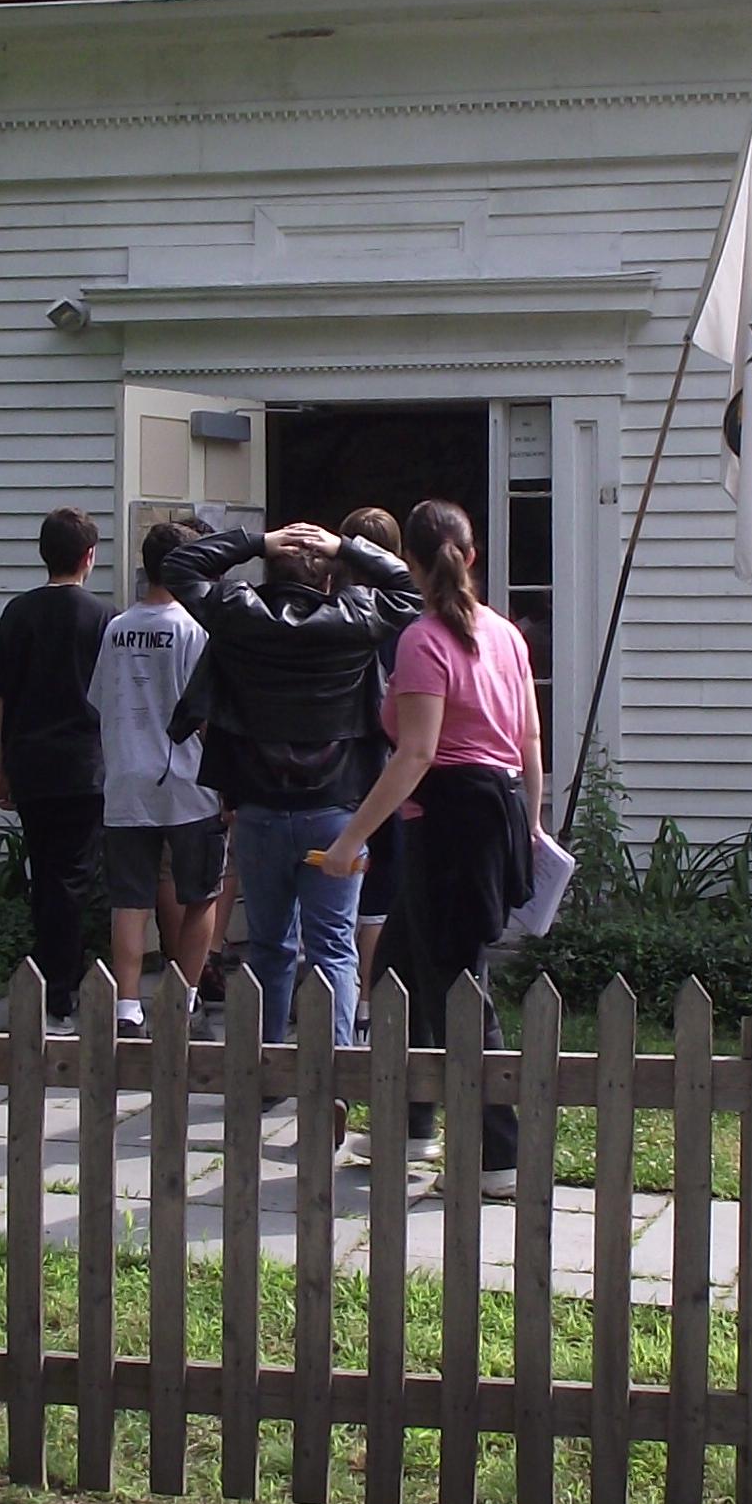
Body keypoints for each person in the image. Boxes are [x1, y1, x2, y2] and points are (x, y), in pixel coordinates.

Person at [323, 498, 541, 1192]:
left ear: (412, 563)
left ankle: (498, 1156)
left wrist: (349, 838)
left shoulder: (423, 640)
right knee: (398, 970)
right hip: (487, 813)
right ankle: (409, 1125)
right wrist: (529, 827)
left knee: (458, 984)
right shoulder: (506, 634)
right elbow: (530, 742)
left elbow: (416, 753)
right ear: (470, 555)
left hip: (450, 821)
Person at [156, 516, 420, 1050]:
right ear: (328, 578)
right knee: (334, 948)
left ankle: (270, 1067)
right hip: (336, 810)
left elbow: (178, 565)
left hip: (260, 809)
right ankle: (336, 1074)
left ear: (269, 571)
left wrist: (256, 541)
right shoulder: (356, 615)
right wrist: (345, 545)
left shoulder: (238, 613)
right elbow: (408, 587)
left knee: (270, 947)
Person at [91, 520, 225, 1035]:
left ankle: (126, 1007)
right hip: (189, 782)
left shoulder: (117, 627)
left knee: (130, 902)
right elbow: (209, 712)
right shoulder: (193, 631)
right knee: (201, 895)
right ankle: (184, 1001)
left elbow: (100, 699)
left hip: (126, 779)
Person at [0, 506, 113, 1023]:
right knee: (74, 876)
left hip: (31, 760)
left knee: (45, 873)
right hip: (85, 764)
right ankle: (61, 985)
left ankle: (50, 974)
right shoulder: (103, 616)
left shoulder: (18, 613)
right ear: (89, 556)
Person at [336, 506, 409, 1036]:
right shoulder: (406, 620)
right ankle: (367, 998)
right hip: (392, 764)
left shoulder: (330, 614)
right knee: (382, 885)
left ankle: (339, 996)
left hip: (337, 766)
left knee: (338, 886)